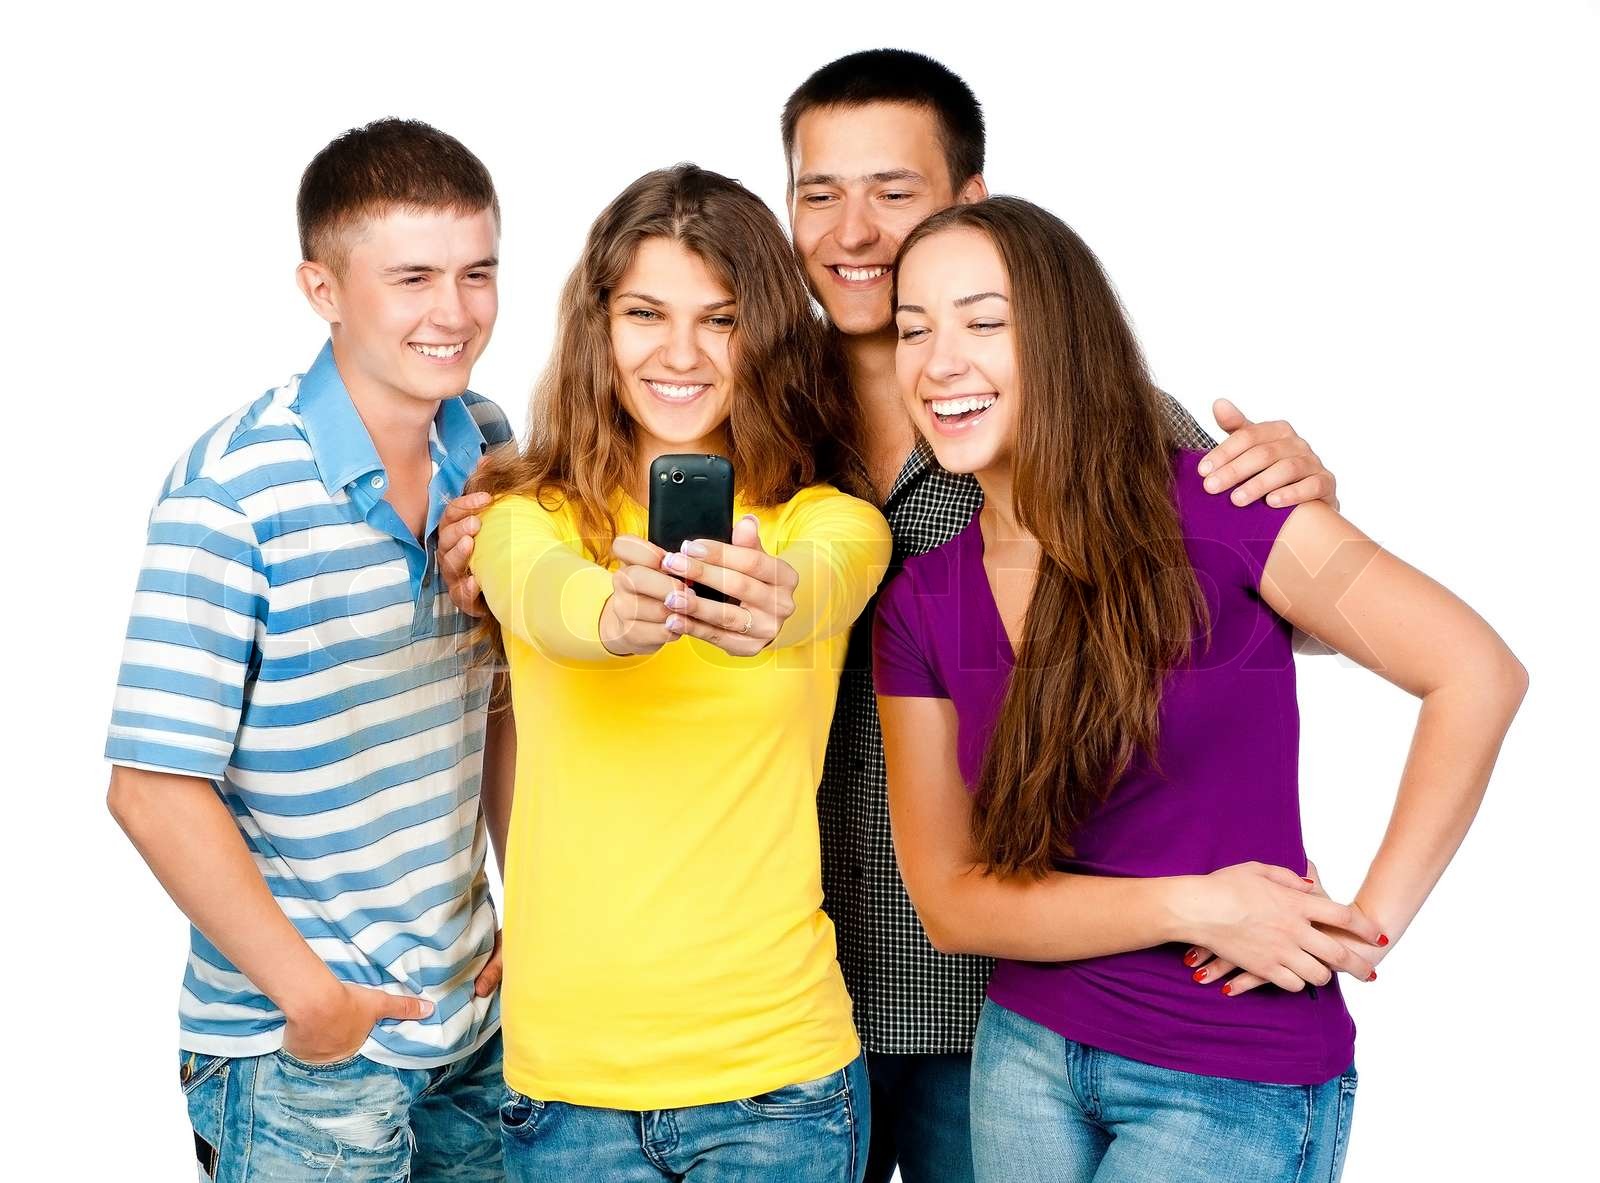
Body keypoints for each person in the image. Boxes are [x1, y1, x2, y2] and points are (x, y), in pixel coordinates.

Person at [435, 49, 1344, 1183]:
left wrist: (1309, 496)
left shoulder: (1081, 412)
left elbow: (1256, 609)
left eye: (892, 193)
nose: (852, 230)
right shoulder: (741, 396)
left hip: (1007, 998)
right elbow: (555, 665)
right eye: (820, 193)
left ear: (973, 204)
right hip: (775, 1000)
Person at [873, 196, 1526, 1181]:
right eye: (911, 329)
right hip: (1023, 1061)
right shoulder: (920, 598)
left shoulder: (1216, 507)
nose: (937, 362)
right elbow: (955, 905)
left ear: (1060, 337)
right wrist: (1195, 907)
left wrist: (1365, 925)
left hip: (1226, 1079)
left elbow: (1473, 671)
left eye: (982, 322)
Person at [103, 118, 515, 1181]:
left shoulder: (490, 444)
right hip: (303, 1062)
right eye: (412, 276)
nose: (455, 312)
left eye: (478, 272)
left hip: (473, 1025)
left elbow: (501, 704)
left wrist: (539, 908)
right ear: (322, 289)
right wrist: (313, 999)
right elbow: (151, 787)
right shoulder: (233, 494)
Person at [466, 164, 890, 1182]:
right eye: (646, 313)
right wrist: (614, 615)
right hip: (565, 1085)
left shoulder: (828, 522)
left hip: (776, 1083)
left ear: (767, 336)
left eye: (722, 318)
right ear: (597, 325)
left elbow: (822, 581)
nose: (681, 353)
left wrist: (772, 594)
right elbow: (546, 598)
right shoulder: (523, 519)